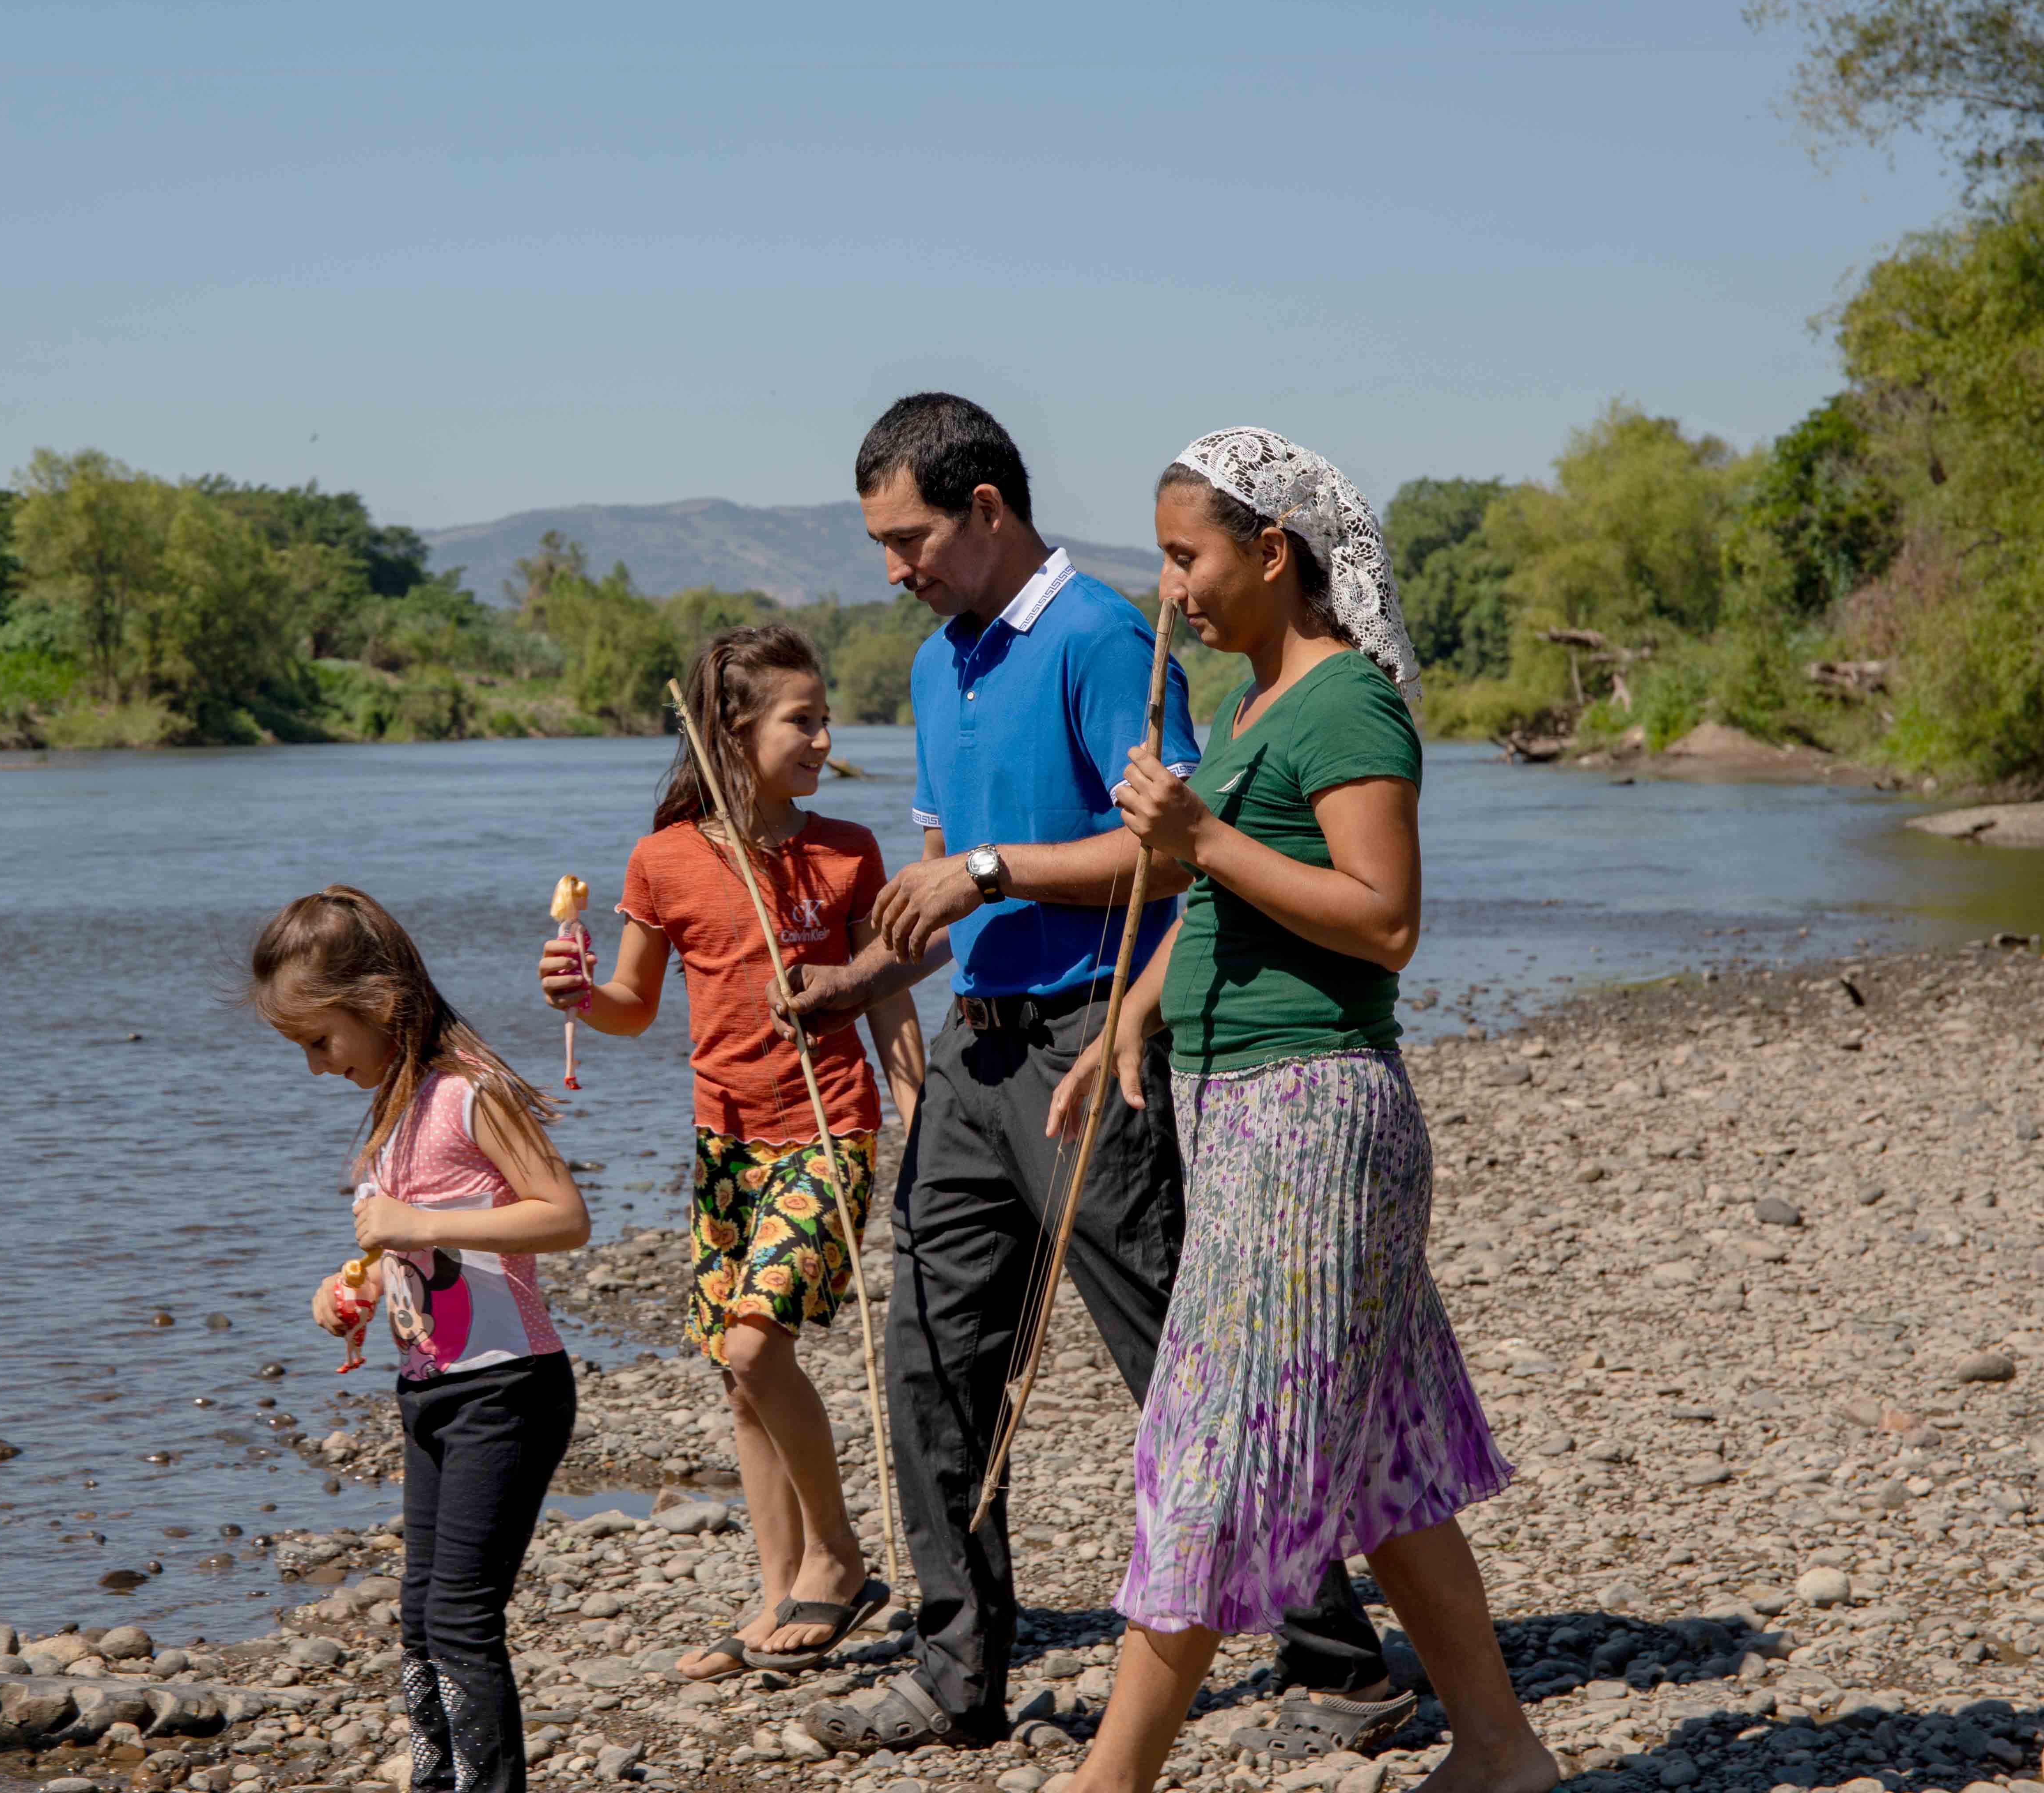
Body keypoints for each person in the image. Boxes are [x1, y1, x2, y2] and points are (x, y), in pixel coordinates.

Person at [790, 394, 1397, 1760]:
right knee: (933, 1361)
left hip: (1091, 1044)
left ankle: (1338, 1662)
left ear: (989, 509)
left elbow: (1175, 849)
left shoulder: (1104, 638)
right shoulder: (939, 663)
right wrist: (859, 985)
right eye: (883, 544)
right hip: (974, 1048)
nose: (897, 569)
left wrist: (991, 871)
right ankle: (958, 1675)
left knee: (1182, 1363)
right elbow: (948, 895)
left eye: (913, 538)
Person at [1048, 427, 1553, 1793]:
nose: (1170, 591)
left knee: (1205, 1449)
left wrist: (1195, 838)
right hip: (1248, 1116)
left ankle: (1108, 1785)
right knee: (1384, 1455)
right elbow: (1219, 906)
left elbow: (1385, 922)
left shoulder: (1345, 707)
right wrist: (1130, 1021)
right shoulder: (1265, 703)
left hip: (1314, 1120)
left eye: (1186, 557)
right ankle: (1502, 1749)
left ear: (1275, 554)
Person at [537, 624, 924, 1679]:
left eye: (824, 714)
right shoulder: (662, 858)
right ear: (730, 729)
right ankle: (774, 1592)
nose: (826, 736)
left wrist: (917, 1104)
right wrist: (578, 992)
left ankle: (838, 1558)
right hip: (727, 1142)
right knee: (741, 1378)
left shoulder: (848, 848)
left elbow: (882, 987)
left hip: (829, 1124)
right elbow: (629, 1006)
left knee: (756, 1343)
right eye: (803, 719)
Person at [255, 886, 590, 1793]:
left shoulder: (468, 1090)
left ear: (382, 1002)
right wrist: (352, 1287)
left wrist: (419, 1217)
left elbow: (563, 1216)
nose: (318, 1066)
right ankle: (435, 1777)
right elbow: (416, 1246)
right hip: (430, 1387)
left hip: (509, 1386)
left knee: (463, 1614)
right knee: (418, 1616)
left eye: (321, 1041)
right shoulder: (395, 1112)